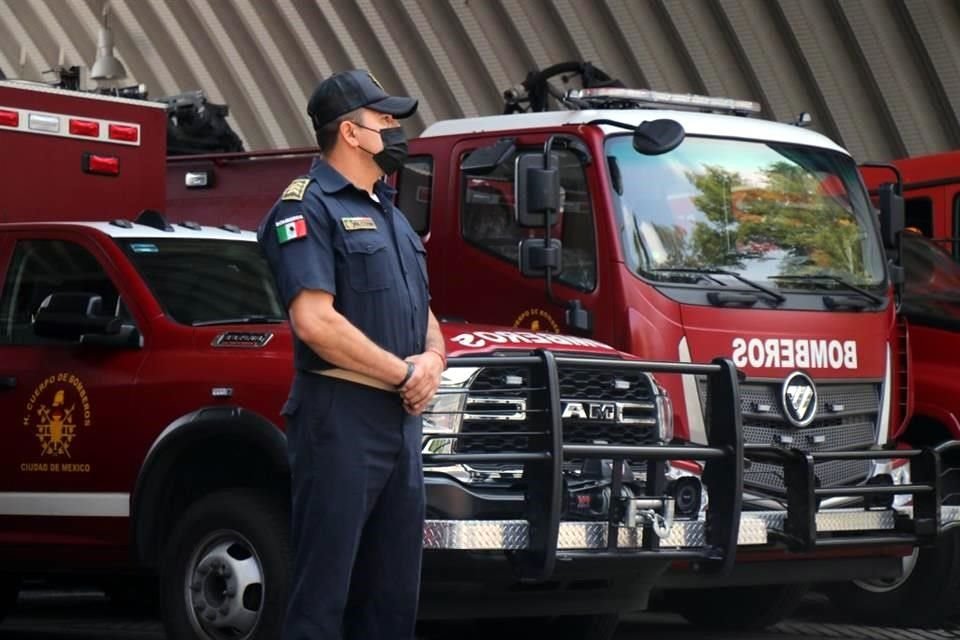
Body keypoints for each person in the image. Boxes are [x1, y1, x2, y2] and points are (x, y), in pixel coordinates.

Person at [257, 69, 445, 640]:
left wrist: (433, 361)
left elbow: (425, 312)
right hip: (340, 419)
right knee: (323, 599)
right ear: (350, 132)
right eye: (384, 119)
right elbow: (314, 320)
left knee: (391, 601)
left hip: (401, 423)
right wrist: (404, 373)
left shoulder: (391, 213)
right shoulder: (305, 207)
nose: (395, 130)